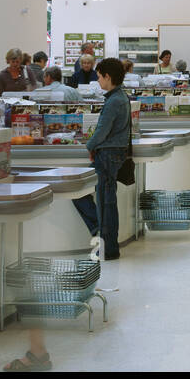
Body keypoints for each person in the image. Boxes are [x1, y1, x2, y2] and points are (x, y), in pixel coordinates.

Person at [84, 57, 131, 261]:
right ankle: (108, 245)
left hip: (107, 155)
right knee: (107, 200)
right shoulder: (120, 97)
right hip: (115, 153)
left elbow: (102, 131)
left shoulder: (114, 101)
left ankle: (107, 248)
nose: (98, 81)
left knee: (105, 202)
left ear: (108, 76)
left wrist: (89, 145)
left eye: (99, 77)